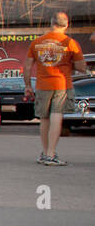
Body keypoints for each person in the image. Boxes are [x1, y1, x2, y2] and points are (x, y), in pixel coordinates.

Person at [23, 11, 83, 166]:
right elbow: (81, 67)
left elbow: (28, 66)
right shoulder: (70, 43)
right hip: (62, 84)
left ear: (51, 23)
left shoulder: (37, 42)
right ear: (67, 24)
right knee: (57, 115)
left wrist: (28, 85)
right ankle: (51, 154)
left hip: (42, 85)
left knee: (44, 118)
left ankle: (44, 153)